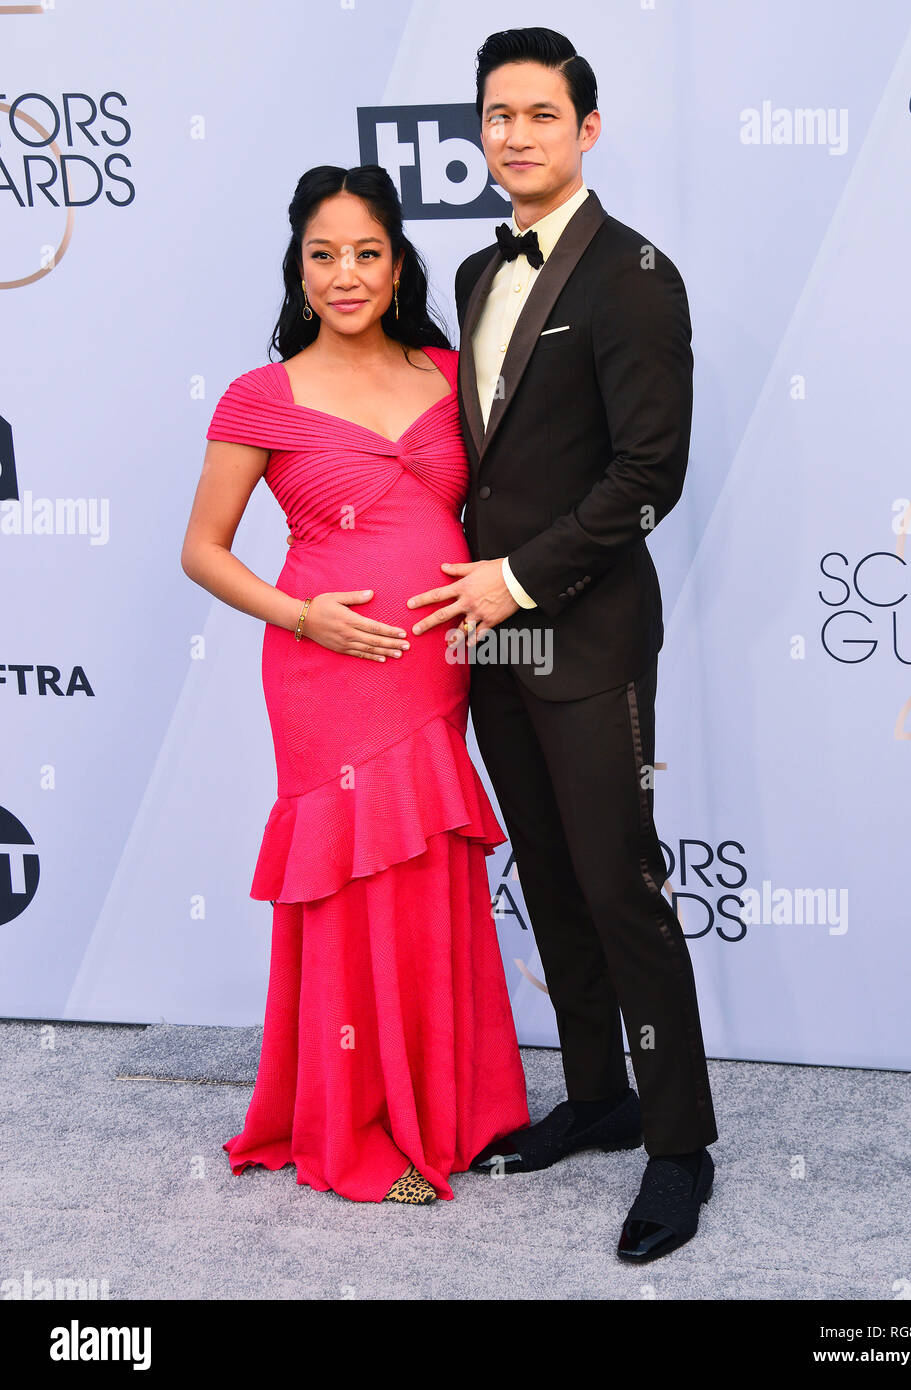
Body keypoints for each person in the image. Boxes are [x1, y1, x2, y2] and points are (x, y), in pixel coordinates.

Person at [405, 28, 718, 1258]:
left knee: (620, 885)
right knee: (544, 871)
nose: (514, 135)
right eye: (497, 116)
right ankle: (596, 1094)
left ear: (586, 130)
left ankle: (679, 1146)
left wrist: (518, 579)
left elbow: (652, 473)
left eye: (540, 114)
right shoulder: (480, 273)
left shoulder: (637, 276)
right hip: (489, 645)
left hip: (582, 633)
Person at [180, 164, 529, 1205]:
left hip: (436, 669)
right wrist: (302, 615)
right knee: (350, 878)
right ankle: (354, 1114)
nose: (344, 273)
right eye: (322, 253)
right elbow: (203, 549)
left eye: (365, 252)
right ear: (296, 267)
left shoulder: (443, 369)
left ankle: (449, 1105)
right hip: (323, 668)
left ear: (397, 262)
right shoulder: (263, 394)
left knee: (426, 868)